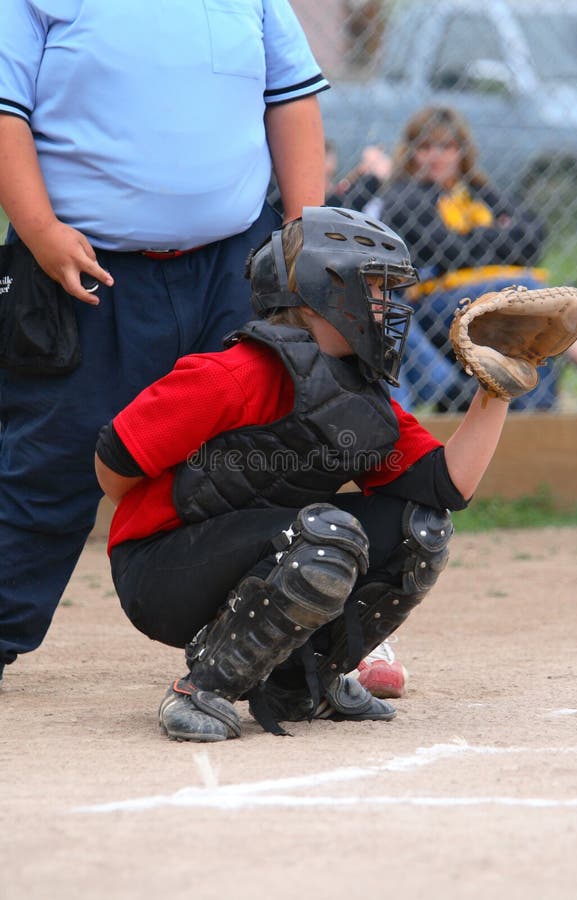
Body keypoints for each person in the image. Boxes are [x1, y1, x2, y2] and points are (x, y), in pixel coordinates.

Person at [95, 206, 551, 743]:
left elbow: (446, 485)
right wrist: (209, 509)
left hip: (263, 553)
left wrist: (495, 390)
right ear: (326, 290)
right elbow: (114, 466)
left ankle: (303, 679)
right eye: (377, 290)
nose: (388, 307)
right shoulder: (229, 376)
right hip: (159, 570)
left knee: (419, 529)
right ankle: (203, 688)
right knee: (324, 533)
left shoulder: (358, 398)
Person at [0, 1, 330, 686]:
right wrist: (37, 229)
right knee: (49, 463)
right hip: (82, 269)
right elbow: (7, 117)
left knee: (262, 453)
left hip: (232, 265)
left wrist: (304, 242)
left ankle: (279, 638)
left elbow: (291, 103)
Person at [351, 107, 577, 411]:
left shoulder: (479, 190)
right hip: (438, 301)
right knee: (527, 292)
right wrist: (496, 233)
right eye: (425, 147)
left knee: (529, 329)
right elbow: (446, 250)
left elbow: (533, 236)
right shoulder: (405, 196)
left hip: (495, 292)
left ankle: (538, 417)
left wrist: (472, 242)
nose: (435, 156)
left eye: (446, 147)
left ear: (461, 151)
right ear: (411, 152)